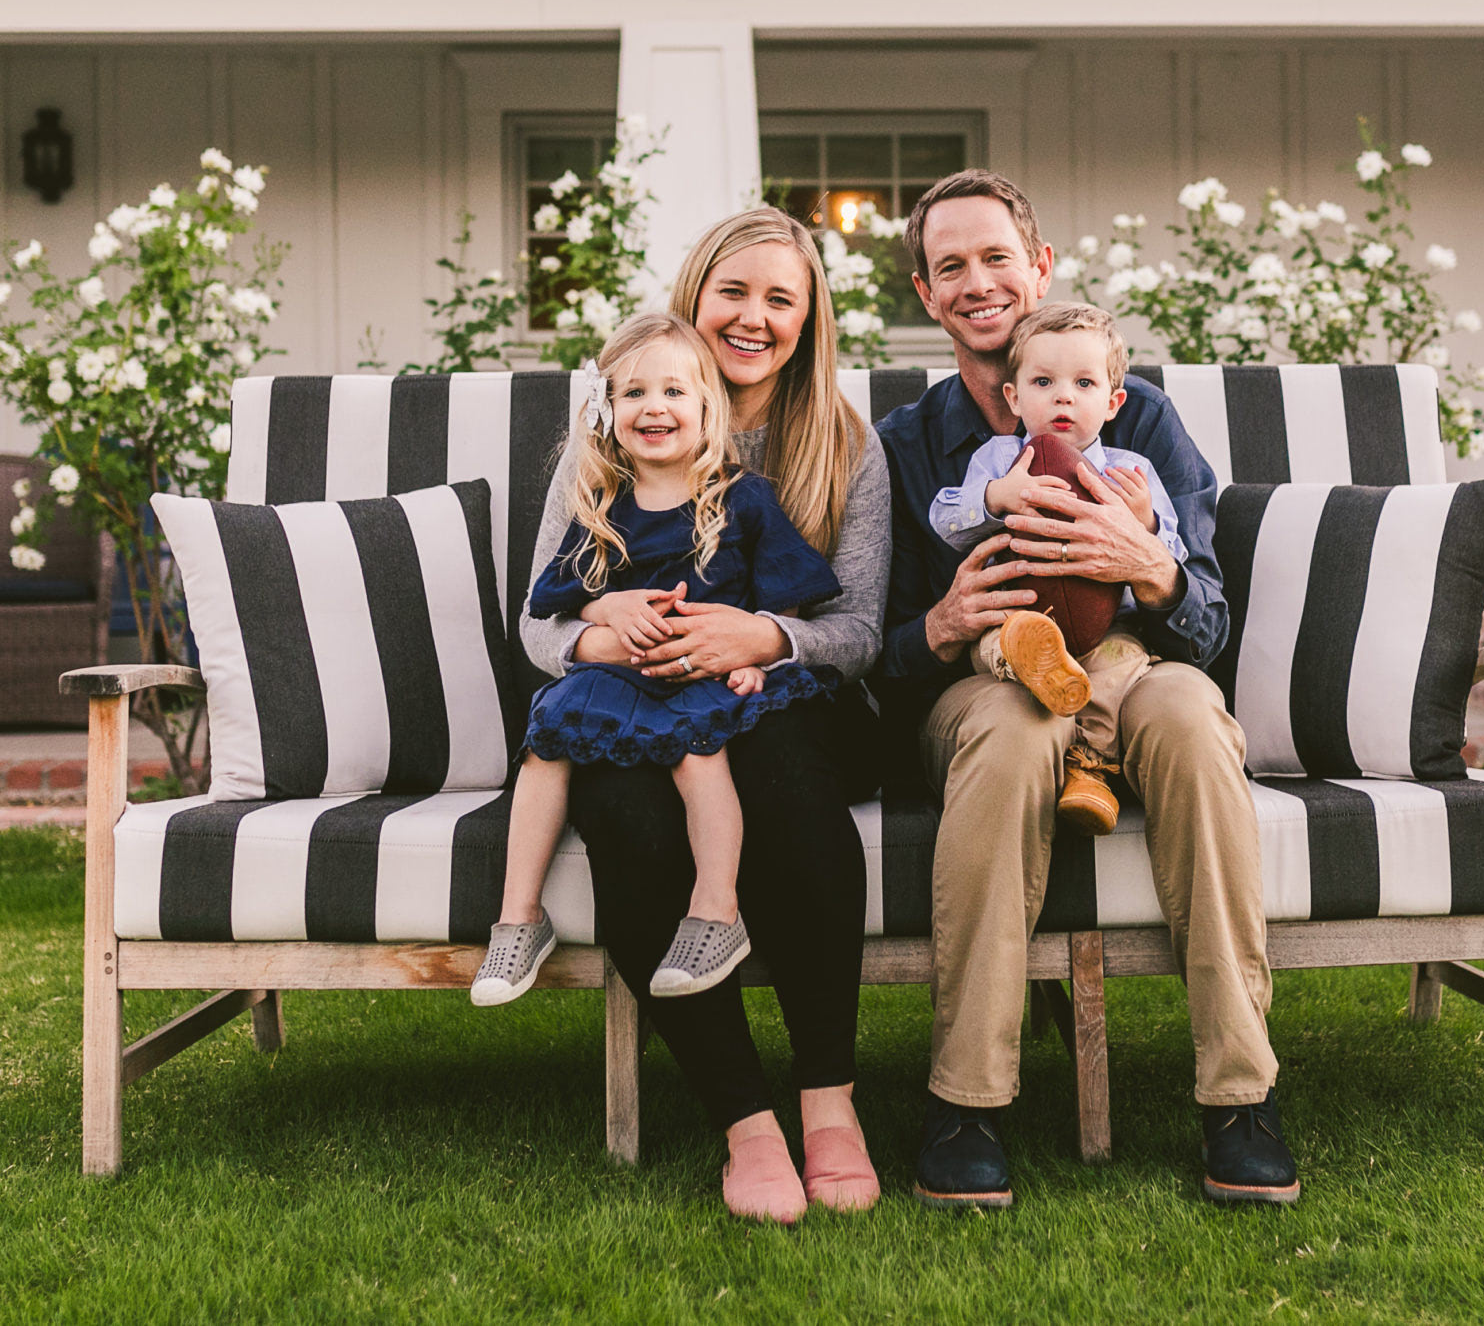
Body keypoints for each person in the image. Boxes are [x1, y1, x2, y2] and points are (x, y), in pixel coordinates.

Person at [876, 169, 1301, 1210]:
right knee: (1016, 731)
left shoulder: (1138, 417)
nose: (977, 282)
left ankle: (1240, 1093)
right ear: (927, 296)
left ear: (1039, 267)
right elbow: (873, 656)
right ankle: (967, 1100)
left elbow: (1205, 619)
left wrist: (1145, 563)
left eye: (996, 257)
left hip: (1129, 668)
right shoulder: (907, 446)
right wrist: (944, 622)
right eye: (950, 267)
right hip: (981, 687)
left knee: (1193, 718)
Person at [521, 207, 892, 1225]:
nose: (753, 317)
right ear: (696, 296)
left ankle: (829, 1105)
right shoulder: (609, 440)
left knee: (776, 771)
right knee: (629, 816)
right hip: (639, 699)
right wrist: (600, 632)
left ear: (809, 319)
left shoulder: (843, 445)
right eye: (734, 291)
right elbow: (539, 622)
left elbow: (860, 630)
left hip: (792, 703)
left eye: (780, 299)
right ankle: (746, 1123)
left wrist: (762, 636)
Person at [475, 310, 841, 1011]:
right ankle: (518, 917)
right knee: (546, 743)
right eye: (635, 393)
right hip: (619, 676)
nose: (654, 408)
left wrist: (761, 658)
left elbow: (785, 599)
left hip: (704, 674)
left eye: (674, 392)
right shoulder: (602, 505)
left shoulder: (739, 498)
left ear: (708, 407)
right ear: (607, 410)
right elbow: (554, 601)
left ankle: (716, 911)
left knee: (697, 755)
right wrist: (606, 609)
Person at [926, 300, 1186, 835]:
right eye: (1043, 382)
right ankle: (1031, 664)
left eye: (1084, 384)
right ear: (1014, 397)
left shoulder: (1131, 473)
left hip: (1105, 628)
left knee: (1123, 665)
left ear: (1113, 403)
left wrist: (1144, 525)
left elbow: (1173, 557)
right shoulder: (999, 461)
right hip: (1017, 618)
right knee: (1001, 643)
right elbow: (945, 519)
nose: (1063, 396)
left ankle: (1090, 767)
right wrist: (996, 498)